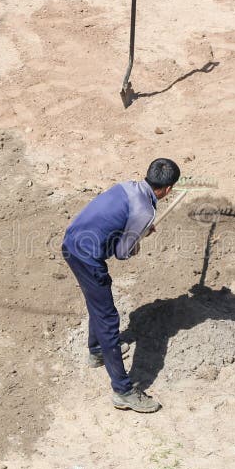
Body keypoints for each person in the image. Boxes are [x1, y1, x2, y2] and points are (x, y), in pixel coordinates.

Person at [61, 158, 181, 413]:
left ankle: (96, 351)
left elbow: (116, 224)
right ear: (168, 189)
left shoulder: (127, 186)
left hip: (73, 239)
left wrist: (138, 231)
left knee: (98, 303)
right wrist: (137, 238)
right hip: (86, 255)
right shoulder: (144, 212)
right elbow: (122, 253)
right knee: (107, 318)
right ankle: (123, 391)